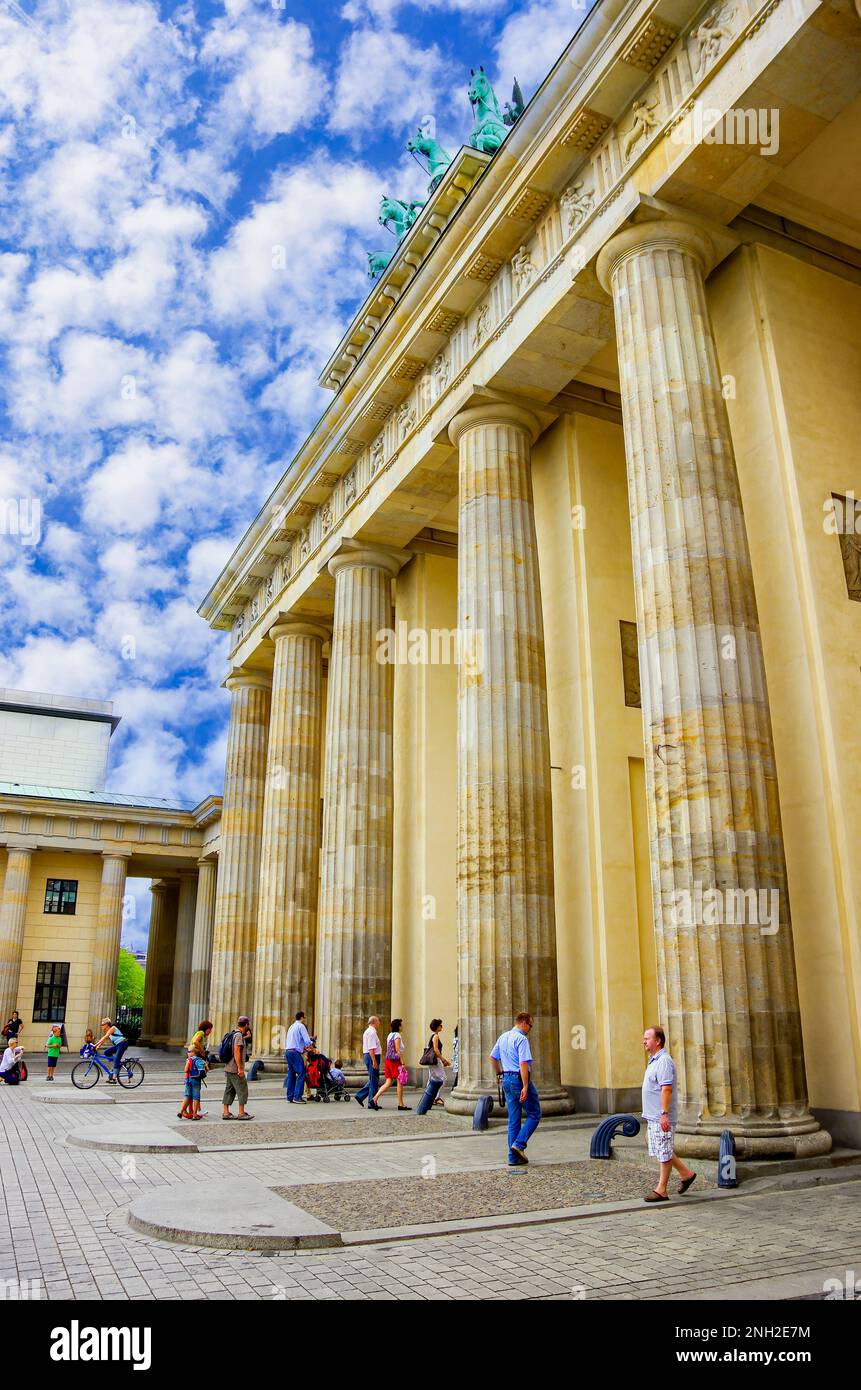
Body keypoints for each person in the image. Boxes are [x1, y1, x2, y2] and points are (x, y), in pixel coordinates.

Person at [641, 1025, 696, 1202]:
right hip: (653, 1115)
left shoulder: (664, 1061)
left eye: (647, 1038)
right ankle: (686, 1174)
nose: (644, 1041)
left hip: (661, 1116)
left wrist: (664, 1113)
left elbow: (666, 1089)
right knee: (661, 1148)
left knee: (664, 1151)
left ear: (658, 1041)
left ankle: (662, 1189)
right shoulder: (654, 1060)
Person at [490, 1012, 541, 1166]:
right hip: (518, 1079)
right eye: (530, 1026)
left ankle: (513, 1158)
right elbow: (523, 1063)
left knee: (513, 1120)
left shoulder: (503, 1037)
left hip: (506, 1078)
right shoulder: (521, 1039)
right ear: (524, 1023)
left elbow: (492, 1057)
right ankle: (519, 1145)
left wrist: (499, 1073)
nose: (530, 1029)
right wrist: (525, 1085)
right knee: (534, 1113)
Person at [372, 1018, 412, 1110]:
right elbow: (398, 1050)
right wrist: (403, 1063)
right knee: (400, 1082)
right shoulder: (397, 1035)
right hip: (395, 1061)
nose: (403, 1026)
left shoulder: (390, 1035)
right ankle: (401, 1104)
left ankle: (374, 1098)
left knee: (388, 1082)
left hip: (388, 1060)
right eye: (402, 1024)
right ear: (398, 1026)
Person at [222, 1015, 254, 1121]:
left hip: (228, 1067)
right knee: (242, 1088)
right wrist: (240, 1068)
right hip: (235, 1068)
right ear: (246, 1025)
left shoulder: (234, 1033)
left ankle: (226, 1112)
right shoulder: (239, 1035)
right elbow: (236, 1051)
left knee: (229, 1089)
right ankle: (241, 1113)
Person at [415, 1019, 449, 1115]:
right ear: (437, 1027)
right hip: (435, 1061)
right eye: (440, 1025)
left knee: (431, 1079)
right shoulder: (436, 1036)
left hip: (432, 1061)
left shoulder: (432, 1036)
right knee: (444, 1079)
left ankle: (429, 1097)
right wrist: (443, 1060)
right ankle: (436, 1097)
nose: (442, 1026)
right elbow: (436, 1050)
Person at [179, 1021, 212, 1120]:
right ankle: (193, 1113)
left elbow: (186, 1070)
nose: (210, 1032)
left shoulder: (189, 1059)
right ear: (207, 1028)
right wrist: (202, 1052)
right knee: (196, 1095)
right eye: (210, 1029)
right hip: (195, 1075)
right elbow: (196, 1042)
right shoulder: (201, 1033)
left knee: (188, 1094)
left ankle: (187, 1111)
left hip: (189, 1077)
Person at [284, 1010, 313, 1104]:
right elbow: (307, 1041)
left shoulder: (291, 1026)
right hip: (295, 1052)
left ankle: (290, 1096)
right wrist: (310, 1045)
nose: (305, 1019)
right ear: (301, 1017)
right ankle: (297, 1097)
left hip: (288, 1051)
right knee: (302, 1073)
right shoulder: (301, 1026)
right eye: (304, 1017)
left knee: (291, 1074)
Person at [355, 1016, 382, 1109]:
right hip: (372, 1056)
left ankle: (360, 1096)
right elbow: (371, 1048)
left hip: (370, 1056)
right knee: (374, 1079)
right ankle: (371, 1102)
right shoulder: (371, 1032)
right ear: (374, 1022)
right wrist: (374, 1061)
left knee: (373, 1078)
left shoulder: (369, 1031)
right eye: (378, 1020)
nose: (379, 1022)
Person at [93, 1018, 127, 1083]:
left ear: (107, 1024)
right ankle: (118, 1064)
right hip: (118, 1045)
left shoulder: (112, 1028)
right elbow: (104, 1040)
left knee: (116, 1059)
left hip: (123, 1043)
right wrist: (97, 1047)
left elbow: (105, 1037)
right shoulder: (108, 1031)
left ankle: (114, 1078)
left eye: (102, 1024)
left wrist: (95, 1045)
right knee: (106, 1052)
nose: (101, 1026)